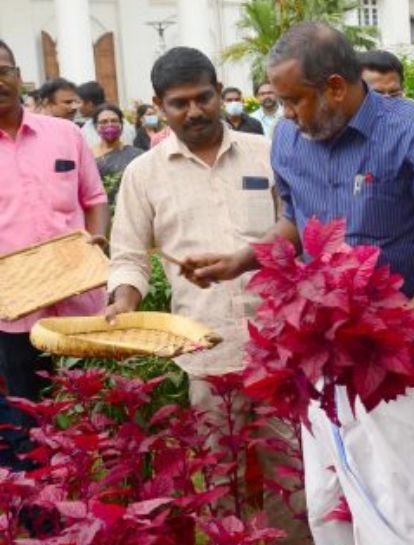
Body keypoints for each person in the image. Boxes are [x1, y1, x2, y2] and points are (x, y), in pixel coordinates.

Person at [180, 22, 414, 545]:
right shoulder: (289, 141)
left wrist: (395, 326)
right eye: (279, 103)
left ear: (336, 87)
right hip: (324, 366)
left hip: (407, 364)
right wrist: (243, 259)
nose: (287, 116)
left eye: (294, 101)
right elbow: (296, 223)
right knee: (335, 505)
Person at [102, 46, 308, 544]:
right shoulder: (143, 174)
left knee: (296, 478)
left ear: (220, 92)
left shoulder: (270, 151)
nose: (194, 112)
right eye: (179, 103)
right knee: (223, 479)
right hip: (207, 352)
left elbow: (302, 225)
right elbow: (127, 254)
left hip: (281, 348)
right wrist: (124, 301)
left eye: (203, 98)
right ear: (157, 105)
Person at [0, 39, 108, 470]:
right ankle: (46, 520)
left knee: (96, 411)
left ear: (19, 73)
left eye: (3, 69)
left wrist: (96, 240)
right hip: (14, 315)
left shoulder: (65, 135)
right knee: (30, 420)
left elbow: (95, 198)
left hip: (80, 304)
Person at [90, 103, 143, 197]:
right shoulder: (87, 156)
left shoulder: (137, 155)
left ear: (121, 125)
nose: (110, 125)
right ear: (95, 126)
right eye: (104, 122)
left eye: (114, 121)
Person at [77, 81, 136, 147]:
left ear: (90, 104)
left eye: (79, 102)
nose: (77, 106)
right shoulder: (125, 123)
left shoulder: (88, 129)